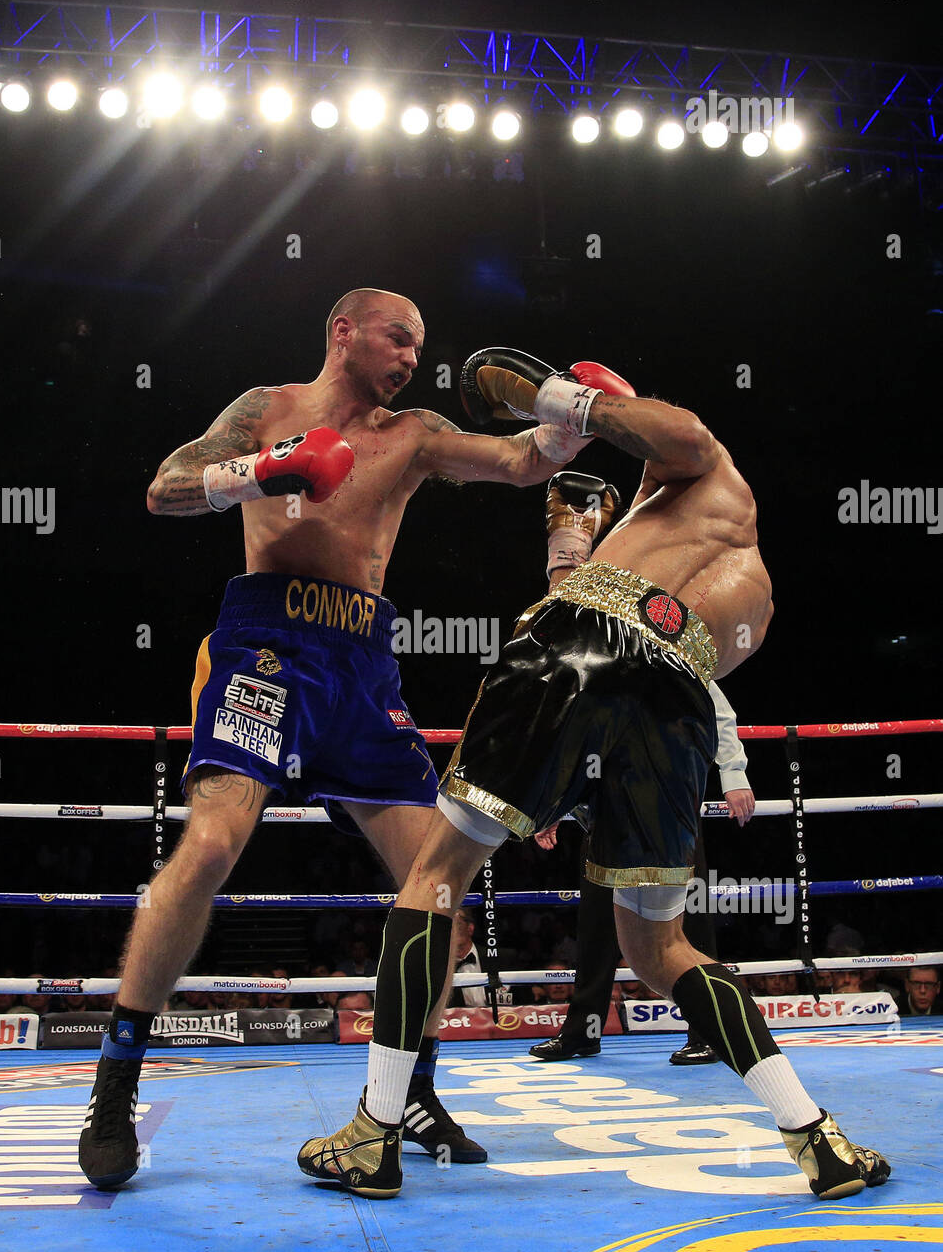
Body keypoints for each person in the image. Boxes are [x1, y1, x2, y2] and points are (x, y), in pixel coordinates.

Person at [298, 346, 889, 1203]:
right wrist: (573, 540)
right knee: (659, 947)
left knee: (433, 878)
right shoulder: (747, 585)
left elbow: (672, 451)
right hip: (677, 697)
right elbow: (640, 660)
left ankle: (374, 1132)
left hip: (571, 648)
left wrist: (561, 401)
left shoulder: (706, 471)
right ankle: (814, 1138)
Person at [78, 291, 587, 1189]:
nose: (411, 358)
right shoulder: (262, 410)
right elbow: (164, 489)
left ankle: (411, 1094)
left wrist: (571, 414)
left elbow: (519, 463)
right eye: (398, 338)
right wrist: (264, 471)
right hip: (263, 646)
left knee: (440, 896)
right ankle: (118, 1074)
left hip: (361, 663)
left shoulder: (417, 432)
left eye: (421, 346)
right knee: (208, 847)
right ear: (343, 332)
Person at [529, 476, 758, 1065]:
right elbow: (560, 718)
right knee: (597, 913)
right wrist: (554, 801)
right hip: (603, 793)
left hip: (666, 782)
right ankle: (584, 1027)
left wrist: (733, 774)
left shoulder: (655, 612)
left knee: (688, 915)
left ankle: (708, 1031)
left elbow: (711, 699)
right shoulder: (568, 632)